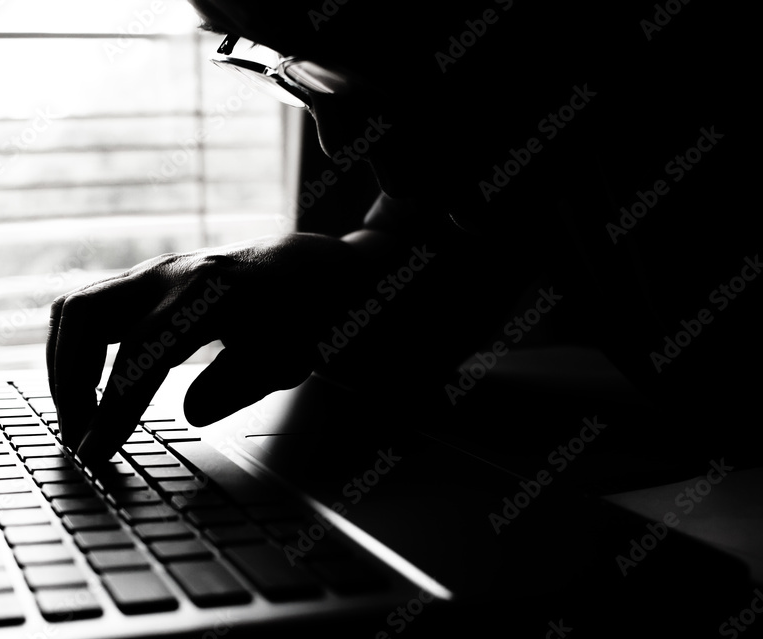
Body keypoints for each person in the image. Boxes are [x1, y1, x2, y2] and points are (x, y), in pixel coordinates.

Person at [48, 0, 756, 465]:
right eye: (283, 67)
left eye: (341, 60)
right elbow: (414, 250)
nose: (336, 141)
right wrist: (334, 269)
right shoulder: (535, 143)